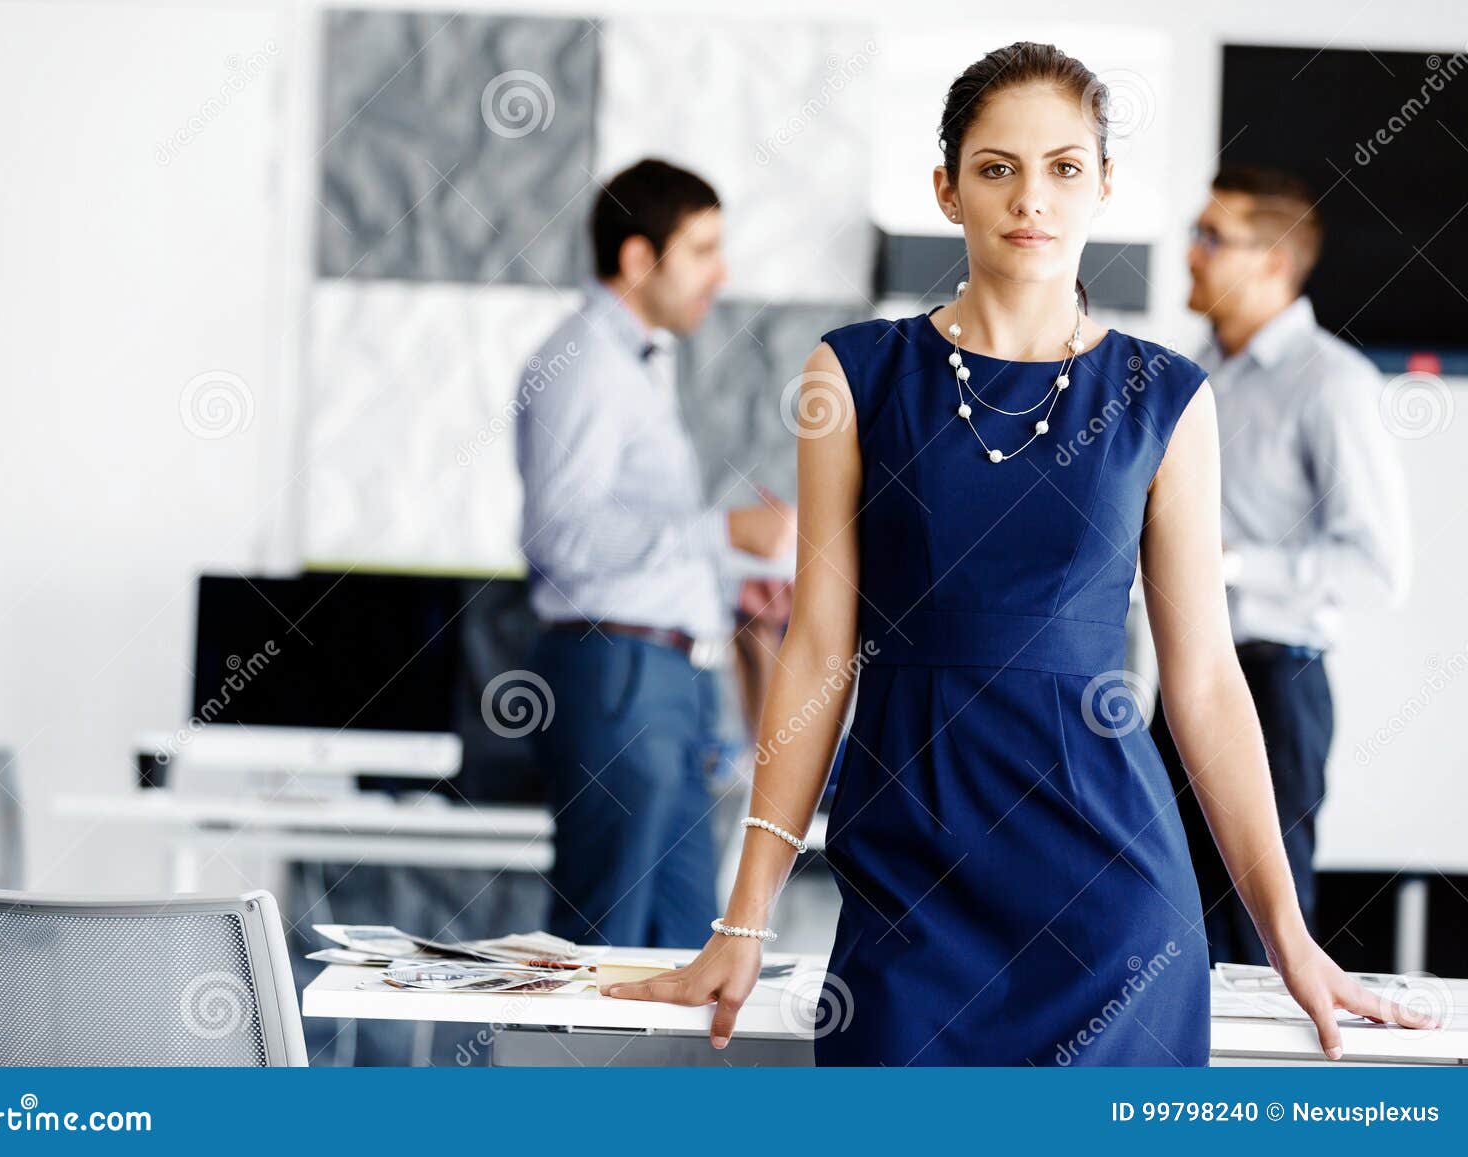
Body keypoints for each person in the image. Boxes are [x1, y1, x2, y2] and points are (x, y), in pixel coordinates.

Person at [601, 43, 1435, 1064]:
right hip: (907, 883)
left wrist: (1285, 933)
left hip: (1110, 906)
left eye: (1064, 167)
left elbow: (1206, 680)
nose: (1030, 195)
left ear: (1103, 188)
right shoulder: (855, 375)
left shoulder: (1164, 397)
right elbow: (818, 653)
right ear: (946, 189)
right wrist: (745, 918)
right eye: (996, 167)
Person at [516, 158, 797, 950]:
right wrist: (720, 534)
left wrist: (736, 570)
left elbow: (632, 534)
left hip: (667, 683)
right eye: (702, 249)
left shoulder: (638, 362)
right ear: (640, 259)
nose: (721, 271)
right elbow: (560, 537)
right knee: (598, 947)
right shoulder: (585, 364)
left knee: (678, 950)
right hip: (621, 678)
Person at [1147, 166, 1411, 966]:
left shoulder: (1331, 382)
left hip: (1272, 686)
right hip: (1183, 679)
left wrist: (1224, 563)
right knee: (1170, 920)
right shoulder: (1194, 375)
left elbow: (1377, 567)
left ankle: (1261, 1097)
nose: (1189, 255)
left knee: (1258, 935)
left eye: (1210, 238)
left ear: (1272, 261)